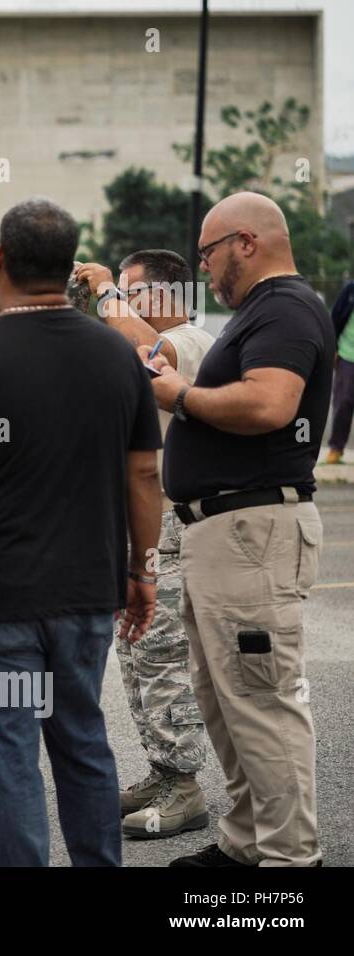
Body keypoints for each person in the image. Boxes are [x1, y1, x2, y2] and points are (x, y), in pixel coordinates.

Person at [0, 198, 162, 867]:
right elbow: (145, 478)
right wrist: (142, 572)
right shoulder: (118, 358)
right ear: (71, 270)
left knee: (8, 755)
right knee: (82, 741)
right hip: (86, 597)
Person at [149, 191, 333, 868]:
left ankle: (289, 859)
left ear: (246, 242)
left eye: (208, 252)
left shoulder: (283, 307)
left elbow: (269, 403)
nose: (206, 266)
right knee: (226, 699)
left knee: (259, 699)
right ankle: (249, 841)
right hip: (224, 532)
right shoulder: (258, 312)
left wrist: (179, 396)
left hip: (251, 531)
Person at [74, 251, 215, 839]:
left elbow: (151, 359)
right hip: (133, 529)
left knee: (162, 656)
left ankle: (185, 786)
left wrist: (106, 288)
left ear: (163, 294)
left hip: (176, 529)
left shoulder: (193, 339)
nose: (121, 305)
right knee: (135, 654)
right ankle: (163, 769)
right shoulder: (129, 343)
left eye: (131, 293)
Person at [324, 279, 353, 464]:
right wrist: (332, 348)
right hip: (347, 355)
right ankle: (336, 448)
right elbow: (334, 319)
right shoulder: (350, 290)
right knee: (343, 402)